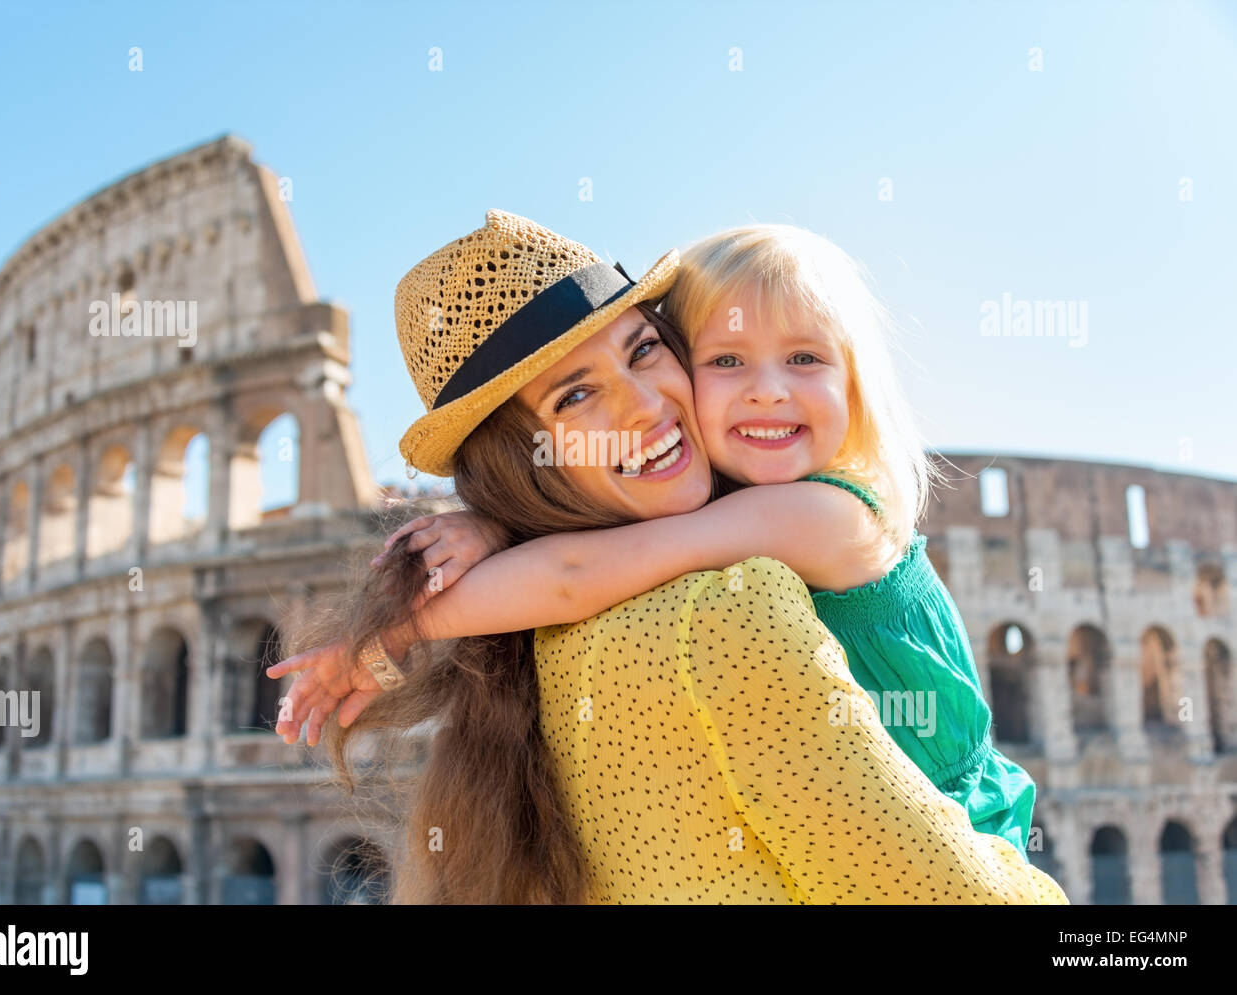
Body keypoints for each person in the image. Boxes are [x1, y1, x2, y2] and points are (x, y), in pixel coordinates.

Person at [269, 209, 1067, 904]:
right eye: (575, 396)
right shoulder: (726, 610)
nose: (647, 406)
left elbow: (580, 572)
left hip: (968, 802)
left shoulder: (808, 517)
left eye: (645, 349)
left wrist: (413, 617)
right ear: (522, 458)